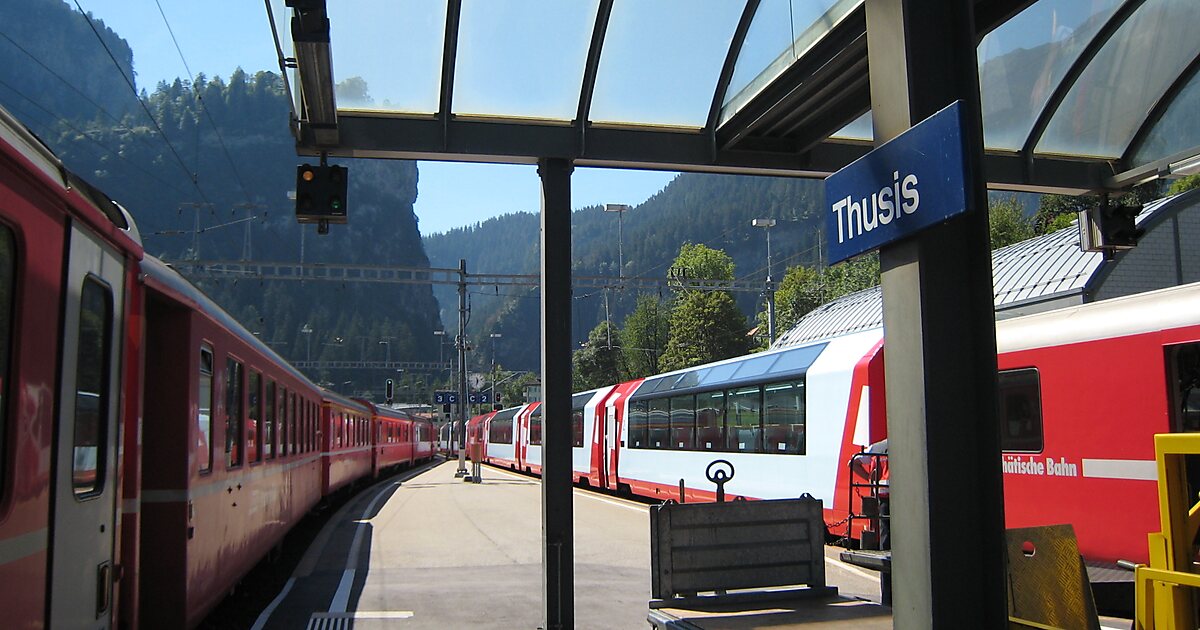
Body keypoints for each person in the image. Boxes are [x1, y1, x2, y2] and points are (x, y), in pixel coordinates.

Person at [850, 438, 889, 549]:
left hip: (882, 492)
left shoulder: (877, 447)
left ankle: (885, 554)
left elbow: (853, 462)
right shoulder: (902, 444)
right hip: (899, 492)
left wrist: (869, 478)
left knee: (885, 528)